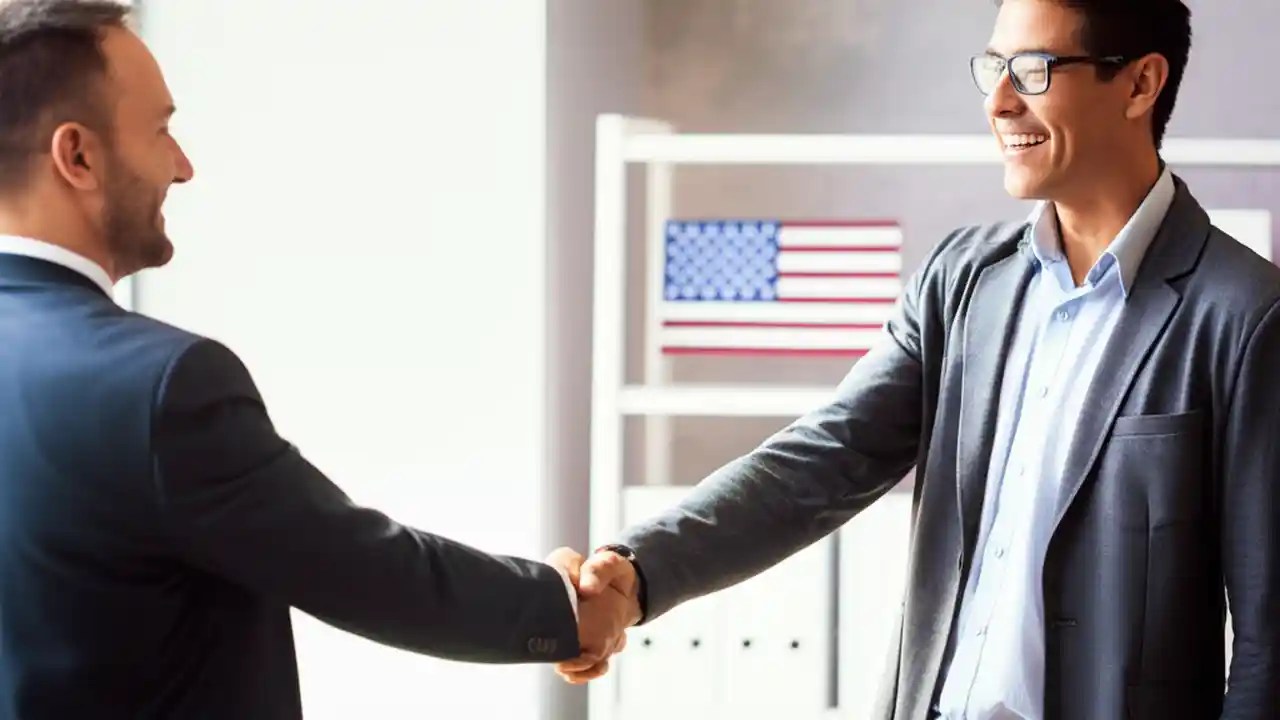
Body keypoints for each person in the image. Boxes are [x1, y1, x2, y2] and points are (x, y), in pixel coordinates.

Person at [560, 0, 1280, 717]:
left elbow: (1269, 645)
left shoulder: (1245, 315)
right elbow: (821, 460)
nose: (1000, 102)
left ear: (1139, 83)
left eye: (1034, 70)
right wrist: (636, 573)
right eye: (994, 68)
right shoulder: (961, 281)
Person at [0, 2, 629, 718]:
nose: (183, 166)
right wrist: (562, 608)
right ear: (78, 157)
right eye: (161, 130)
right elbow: (366, 569)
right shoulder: (159, 388)